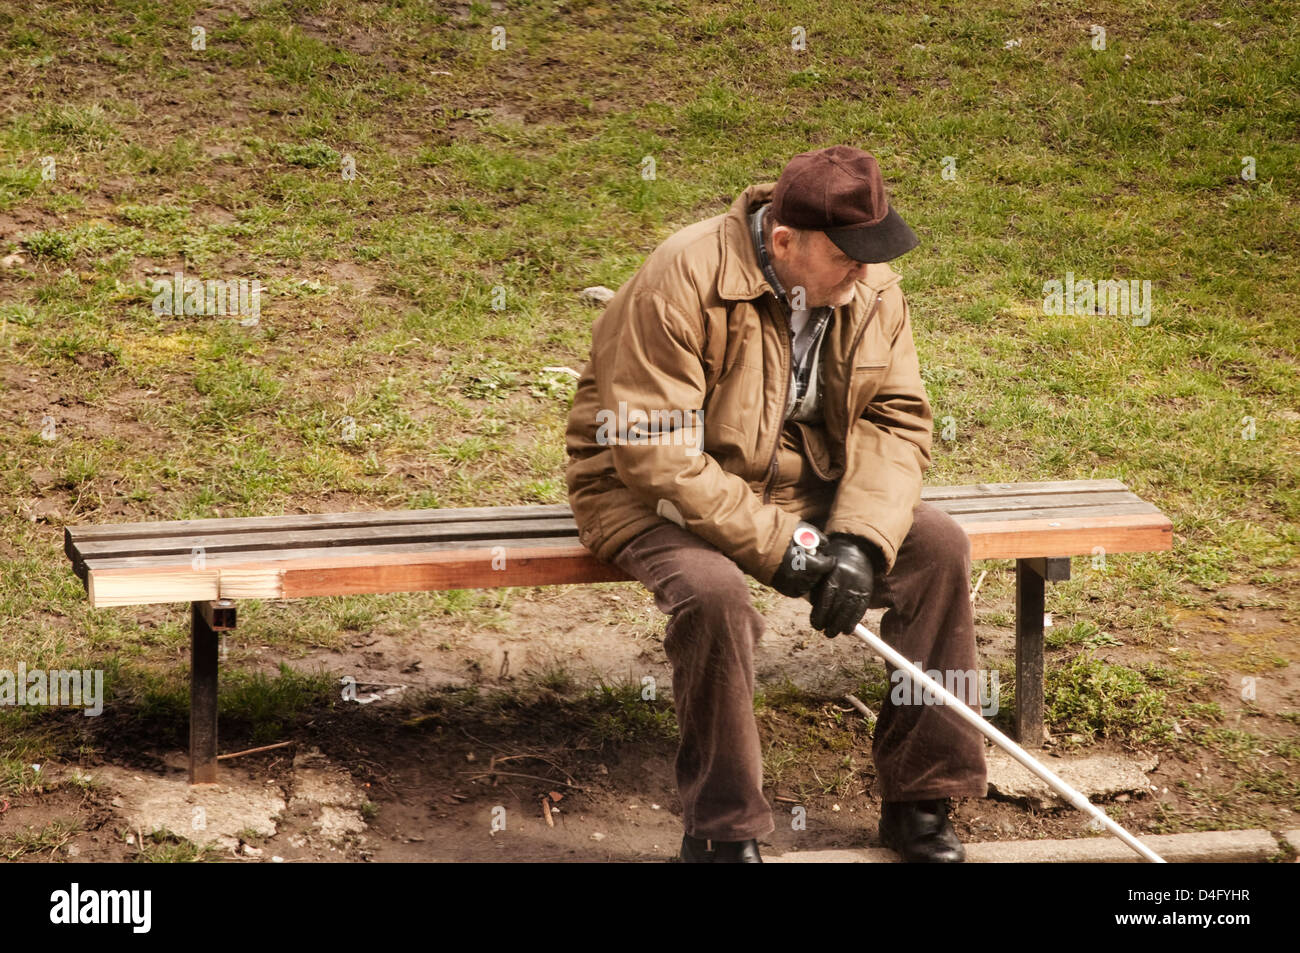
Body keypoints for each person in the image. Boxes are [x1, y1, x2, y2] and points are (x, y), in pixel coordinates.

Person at [564, 145, 987, 863]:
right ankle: (721, 830)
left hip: (799, 475)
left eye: (870, 255)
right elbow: (657, 453)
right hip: (647, 484)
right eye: (848, 257)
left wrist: (856, 539)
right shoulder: (680, 277)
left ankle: (921, 797)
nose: (862, 276)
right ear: (783, 242)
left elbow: (895, 418)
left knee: (938, 548)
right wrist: (780, 545)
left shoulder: (871, 286)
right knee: (714, 593)